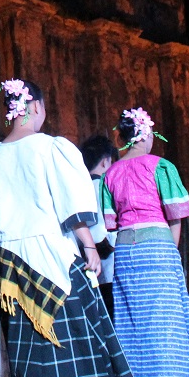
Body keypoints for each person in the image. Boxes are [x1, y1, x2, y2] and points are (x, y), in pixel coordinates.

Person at [0, 79, 134, 377]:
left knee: (28, 341)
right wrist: (90, 244)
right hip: (53, 250)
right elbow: (70, 201)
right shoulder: (51, 147)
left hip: (12, 259)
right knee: (74, 332)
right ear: (34, 107)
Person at [102, 108, 189, 377]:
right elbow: (175, 215)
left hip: (125, 249)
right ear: (146, 134)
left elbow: (110, 222)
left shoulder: (111, 174)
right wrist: (170, 250)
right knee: (165, 323)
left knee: (131, 324)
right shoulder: (161, 166)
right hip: (157, 246)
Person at [81, 135, 118, 319]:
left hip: (86, 264)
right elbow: (100, 231)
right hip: (107, 264)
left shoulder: (79, 187)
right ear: (105, 162)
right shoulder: (103, 187)